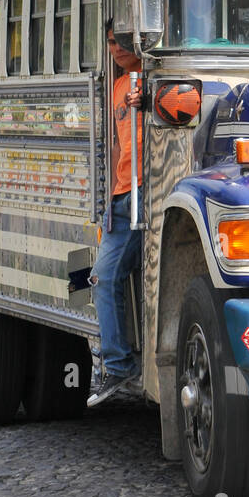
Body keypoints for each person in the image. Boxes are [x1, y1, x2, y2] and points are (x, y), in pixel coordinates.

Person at [87, 20, 145, 407]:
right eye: (110, 43)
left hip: (146, 193)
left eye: (122, 40)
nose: (116, 48)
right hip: (122, 196)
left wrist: (152, 97)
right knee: (98, 278)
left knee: (106, 278)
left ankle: (120, 366)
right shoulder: (120, 85)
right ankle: (116, 362)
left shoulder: (152, 79)